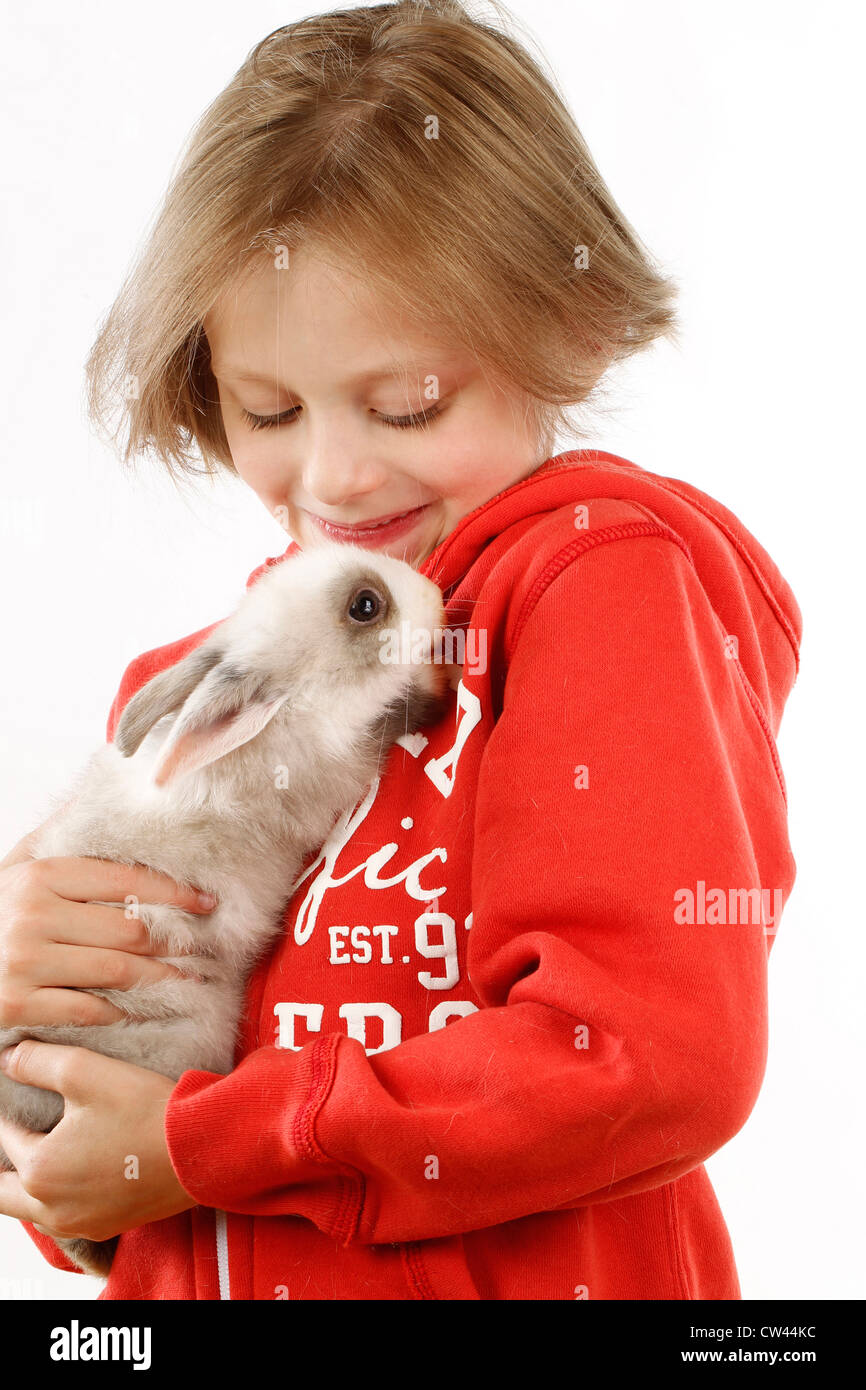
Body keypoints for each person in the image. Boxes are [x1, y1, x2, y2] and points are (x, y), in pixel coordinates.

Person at [0, 0, 801, 1299]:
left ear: (566, 325)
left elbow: (648, 1053)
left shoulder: (598, 591)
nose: (331, 470)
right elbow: (98, 1199)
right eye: (265, 409)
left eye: (406, 403)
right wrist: (50, 1031)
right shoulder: (190, 688)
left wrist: (206, 1146)